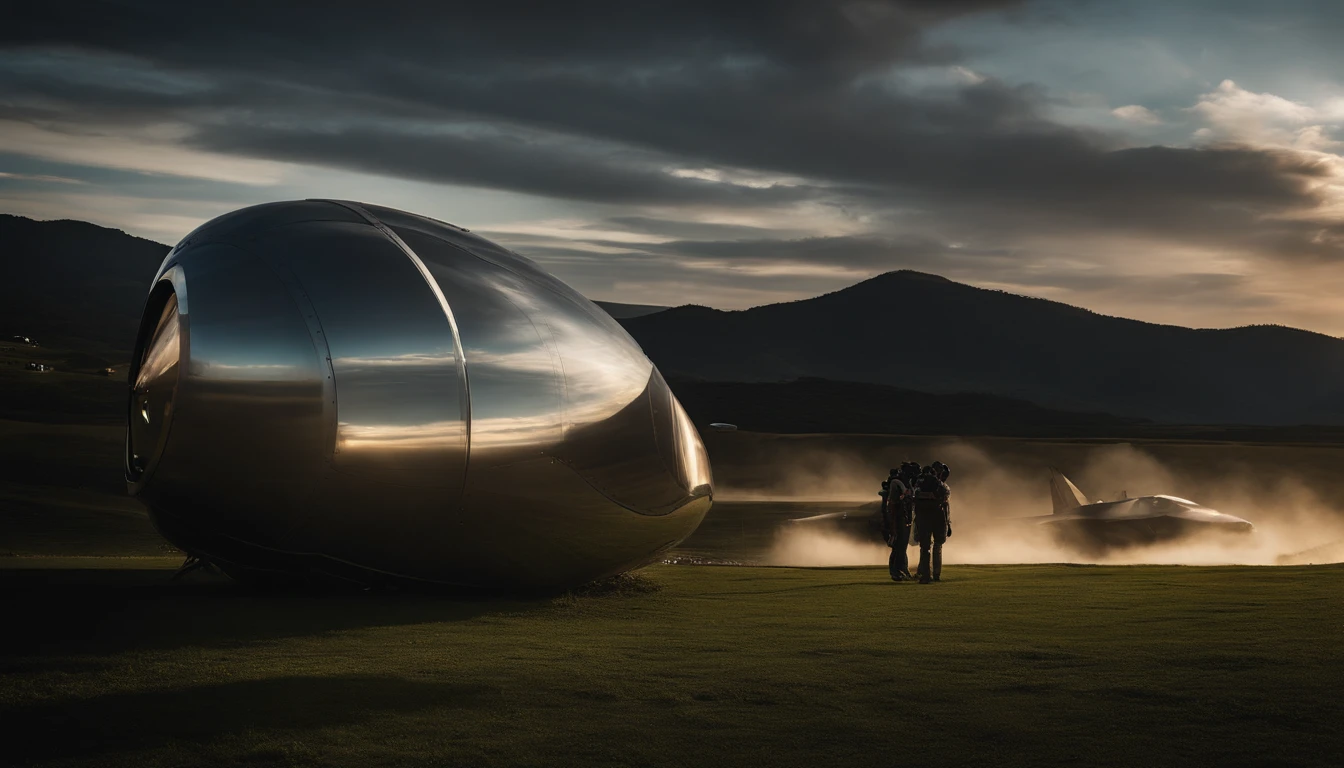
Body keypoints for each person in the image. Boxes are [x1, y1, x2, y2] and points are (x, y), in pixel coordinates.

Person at [912, 463, 952, 584]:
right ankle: (936, 574)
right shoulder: (942, 486)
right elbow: (945, 504)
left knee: (925, 547)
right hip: (938, 518)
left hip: (923, 518)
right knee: (938, 546)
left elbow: (914, 500)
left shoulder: (919, 483)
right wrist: (948, 523)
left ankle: (925, 574)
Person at [881, 469, 913, 581]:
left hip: (900, 520)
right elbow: (893, 507)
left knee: (901, 548)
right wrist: (892, 526)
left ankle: (901, 569)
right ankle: (896, 571)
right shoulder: (896, 484)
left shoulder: (895, 485)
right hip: (897, 520)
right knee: (898, 547)